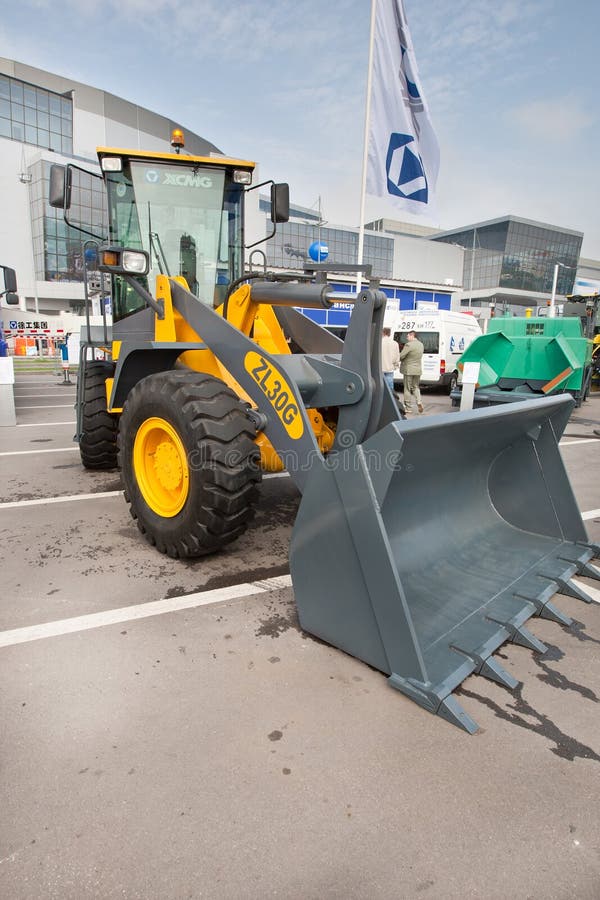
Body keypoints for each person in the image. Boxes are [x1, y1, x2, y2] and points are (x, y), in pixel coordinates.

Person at [399, 330, 424, 414]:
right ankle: (419, 401)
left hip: (408, 369)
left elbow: (401, 356)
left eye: (407, 336)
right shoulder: (421, 344)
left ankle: (408, 407)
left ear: (412, 336)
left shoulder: (408, 345)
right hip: (417, 369)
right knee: (416, 387)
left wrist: (400, 358)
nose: (407, 337)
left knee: (407, 388)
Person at [381, 326, 400, 393]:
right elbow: (397, 356)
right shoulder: (395, 343)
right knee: (390, 387)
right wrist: (395, 366)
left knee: (381, 386)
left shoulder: (379, 342)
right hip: (390, 368)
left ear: (383, 333)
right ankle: (391, 400)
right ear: (389, 334)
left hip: (380, 368)